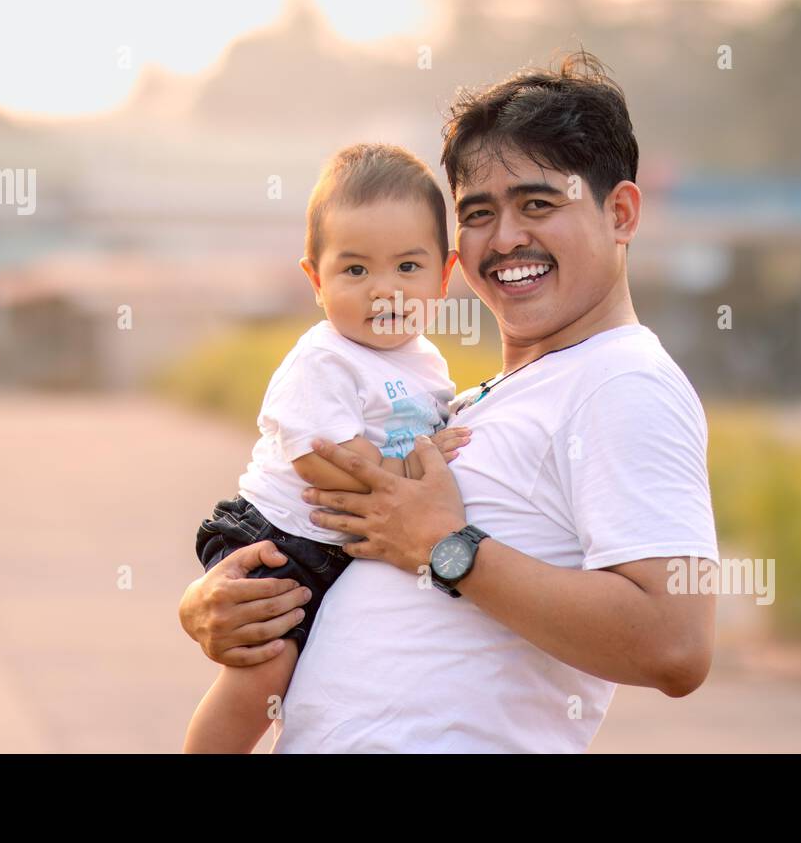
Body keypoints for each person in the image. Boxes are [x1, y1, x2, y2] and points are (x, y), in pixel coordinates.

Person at [178, 51, 720, 752]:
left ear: (620, 212)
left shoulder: (622, 381)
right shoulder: (459, 399)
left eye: (538, 203)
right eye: (478, 213)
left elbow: (675, 644)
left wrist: (447, 548)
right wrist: (219, 606)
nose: (505, 238)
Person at [182, 143, 470, 752]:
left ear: (444, 275)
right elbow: (322, 460)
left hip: (331, 550)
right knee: (263, 672)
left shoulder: (427, 363)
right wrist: (419, 464)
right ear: (316, 279)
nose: (384, 290)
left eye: (408, 268)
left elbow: (421, 427)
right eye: (356, 270)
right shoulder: (324, 358)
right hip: (276, 542)